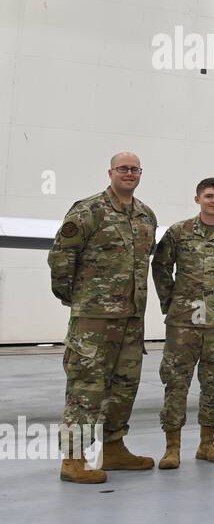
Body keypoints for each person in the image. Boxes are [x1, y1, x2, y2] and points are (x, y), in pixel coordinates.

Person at [49, 152, 158, 483]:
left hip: (131, 319)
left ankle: (113, 448)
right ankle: (73, 457)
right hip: (93, 319)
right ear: (110, 172)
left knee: (124, 386)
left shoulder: (146, 216)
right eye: (123, 168)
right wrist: (78, 299)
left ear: (140, 174)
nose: (129, 173)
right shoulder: (89, 210)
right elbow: (61, 258)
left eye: (134, 169)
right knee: (86, 387)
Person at [151, 177, 214, 469]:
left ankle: (207, 444)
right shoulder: (178, 232)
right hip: (184, 322)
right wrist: (171, 302)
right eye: (209, 196)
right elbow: (160, 266)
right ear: (198, 199)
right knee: (176, 382)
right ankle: (172, 448)